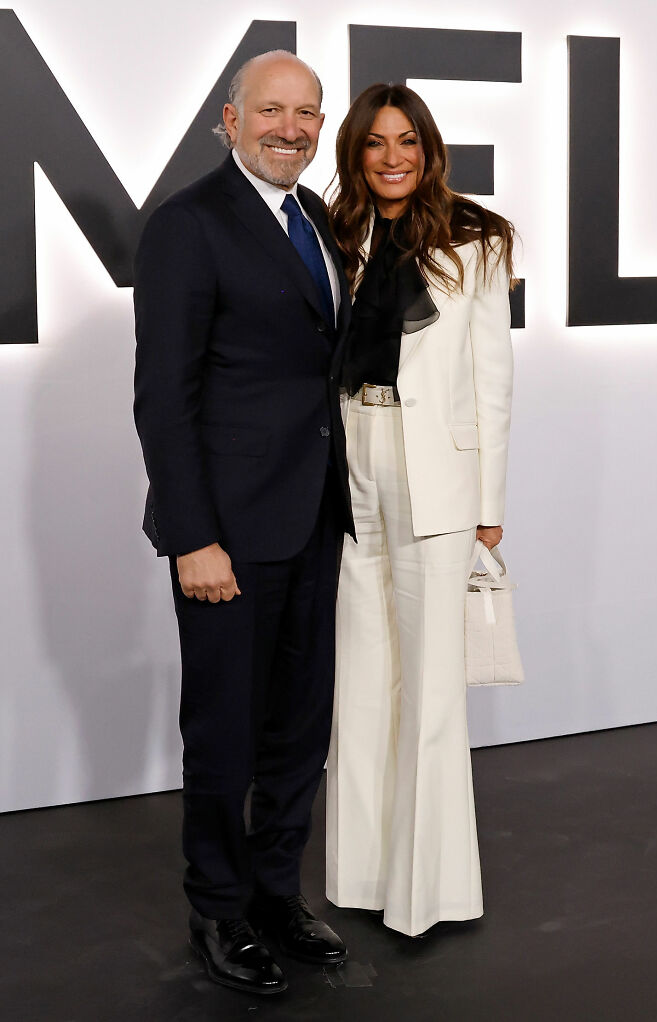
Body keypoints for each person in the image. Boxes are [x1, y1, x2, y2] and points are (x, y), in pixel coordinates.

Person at [133, 50, 355, 996]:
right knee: (224, 733)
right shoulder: (189, 224)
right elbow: (163, 395)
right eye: (272, 111)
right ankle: (219, 912)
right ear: (230, 119)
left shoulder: (316, 220)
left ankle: (274, 894)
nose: (292, 129)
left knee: (299, 732)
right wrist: (191, 536)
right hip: (225, 533)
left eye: (307, 114)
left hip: (312, 518)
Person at [325, 83, 516, 938]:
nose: (392, 157)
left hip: (436, 469)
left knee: (430, 685)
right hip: (351, 458)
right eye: (375, 143)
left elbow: (493, 382)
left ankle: (429, 894)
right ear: (357, 153)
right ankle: (360, 878)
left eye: (406, 141)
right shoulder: (337, 232)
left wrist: (489, 506)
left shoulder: (477, 240)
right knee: (362, 680)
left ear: (429, 149)